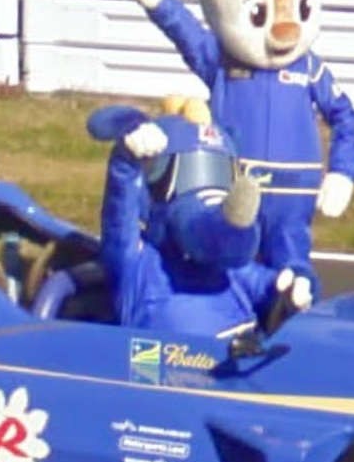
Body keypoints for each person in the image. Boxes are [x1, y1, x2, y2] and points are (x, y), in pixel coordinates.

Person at [124, 0, 354, 296]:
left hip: (293, 197)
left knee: (292, 259)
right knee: (229, 266)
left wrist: (342, 172)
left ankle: (294, 304)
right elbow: (189, 35)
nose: (283, 28)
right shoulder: (222, 63)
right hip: (233, 188)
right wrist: (160, 2)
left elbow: (344, 116)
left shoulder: (310, 69)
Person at [89, 98, 311, 340]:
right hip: (160, 372)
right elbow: (118, 215)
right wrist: (127, 161)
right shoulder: (138, 261)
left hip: (239, 366)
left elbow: (263, 285)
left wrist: (288, 290)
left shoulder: (226, 268)